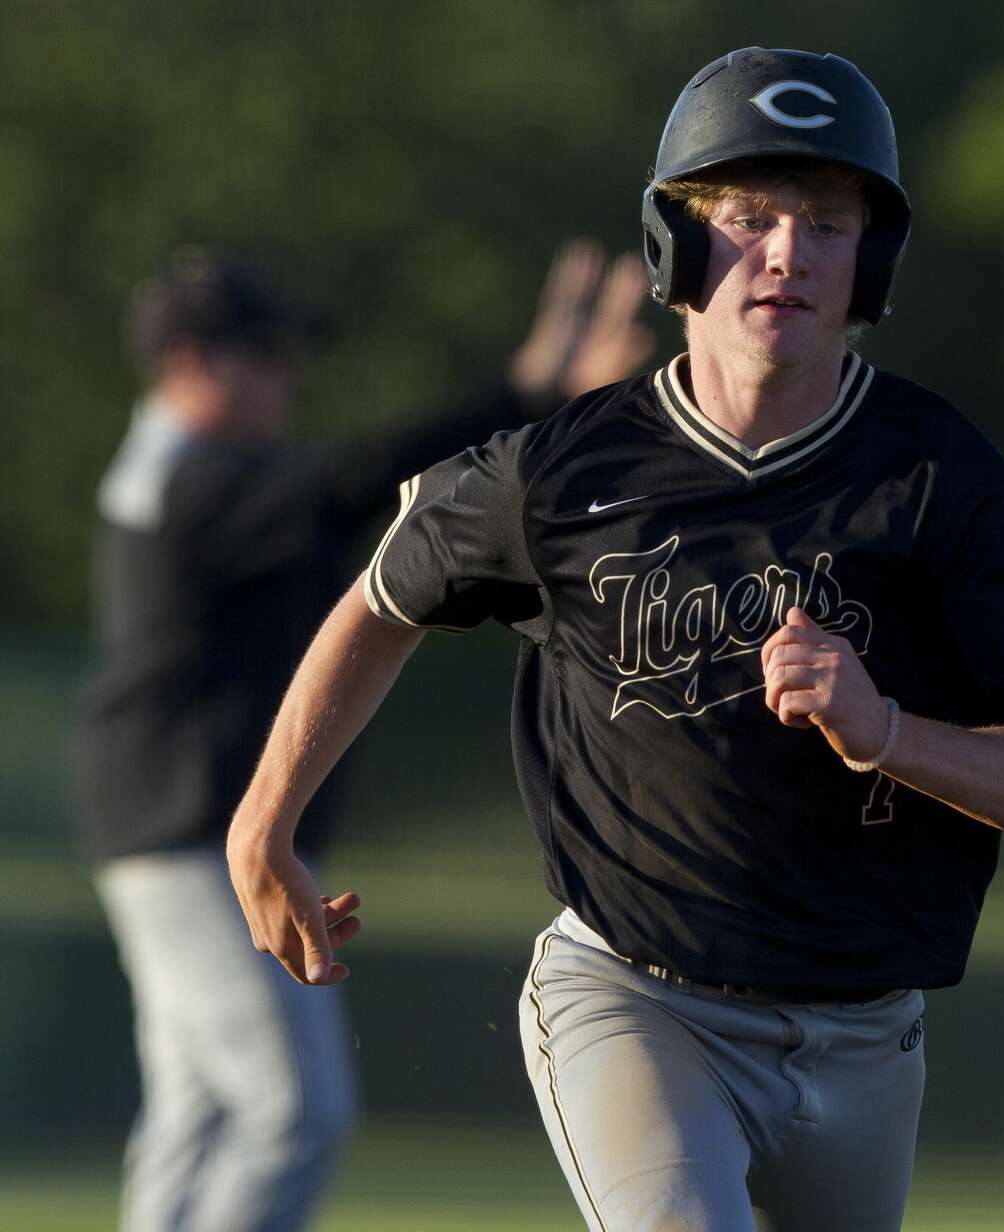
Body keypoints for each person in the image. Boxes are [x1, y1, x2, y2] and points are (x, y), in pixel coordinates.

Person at [226, 47, 1004, 1232]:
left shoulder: (946, 483)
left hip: (868, 1033)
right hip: (635, 994)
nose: (788, 253)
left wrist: (890, 732)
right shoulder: (561, 468)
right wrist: (262, 821)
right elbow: (380, 600)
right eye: (746, 215)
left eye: (827, 220)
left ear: (873, 259)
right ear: (674, 245)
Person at [73, 239, 651, 1232]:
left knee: (201, 1108)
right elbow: (362, 479)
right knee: (293, 1112)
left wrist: (533, 398)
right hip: (194, 835)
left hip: (162, 832)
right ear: (189, 361)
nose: (287, 371)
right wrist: (523, 388)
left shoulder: (180, 479)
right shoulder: (185, 481)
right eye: (264, 351)